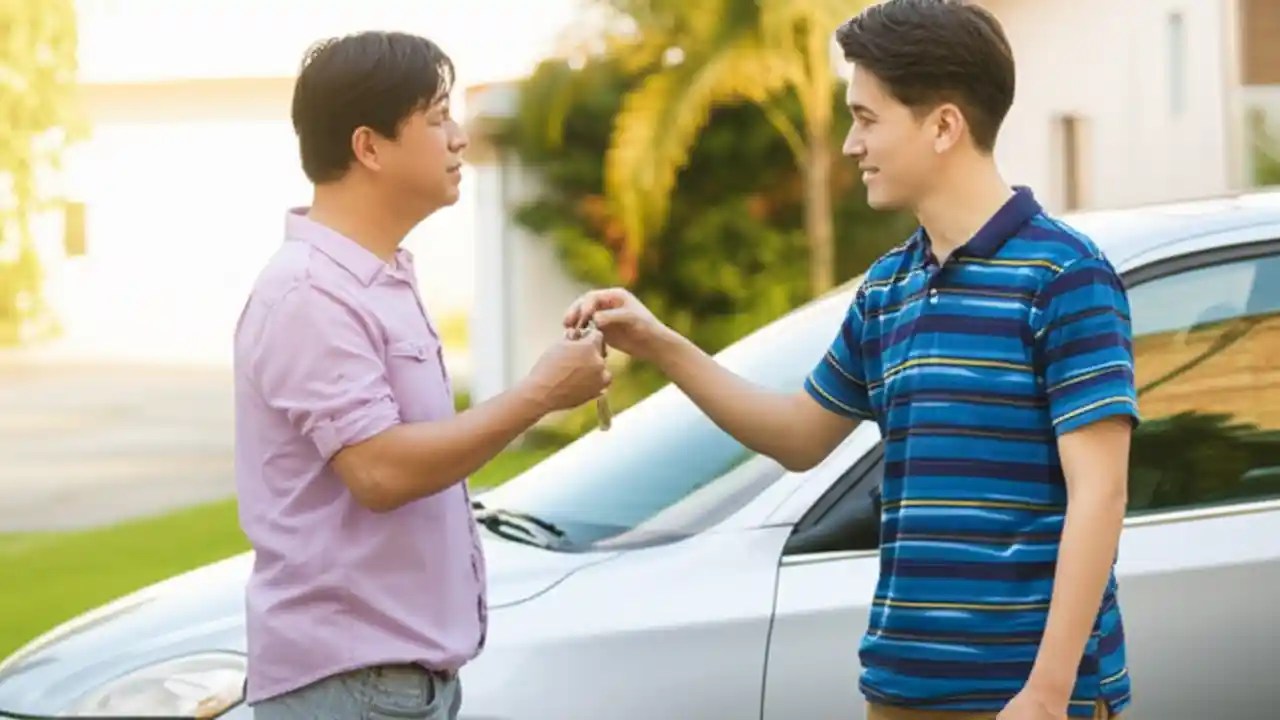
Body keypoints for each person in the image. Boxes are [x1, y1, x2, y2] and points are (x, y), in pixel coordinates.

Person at [564, 2, 1136, 719]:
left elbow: (1099, 495)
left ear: (943, 126)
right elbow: (798, 436)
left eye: (866, 119)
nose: (848, 144)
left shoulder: (1065, 277)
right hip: (900, 689)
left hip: (1026, 697)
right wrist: (660, 344)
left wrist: (1048, 693)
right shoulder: (889, 286)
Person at [234, 31, 610, 719]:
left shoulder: (377, 279)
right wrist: (539, 395)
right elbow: (380, 472)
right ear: (369, 146)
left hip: (392, 687)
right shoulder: (311, 294)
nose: (460, 138)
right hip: (351, 687)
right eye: (437, 118)